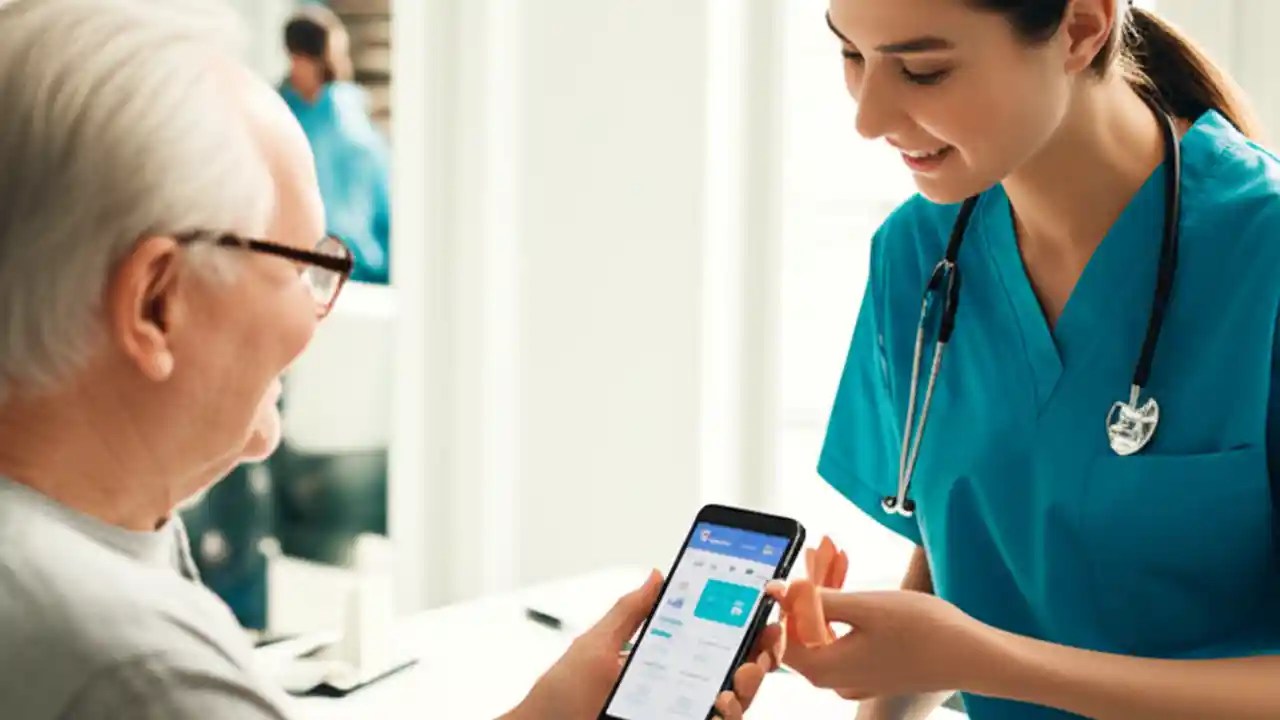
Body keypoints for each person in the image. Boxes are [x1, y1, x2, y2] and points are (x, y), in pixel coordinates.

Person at [0, 1, 779, 719]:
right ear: (155, 305)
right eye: (305, 267)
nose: (317, 314)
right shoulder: (138, 671)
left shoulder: (87, 546)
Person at [774, 0, 1280, 718]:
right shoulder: (919, 259)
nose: (868, 117)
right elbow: (956, 550)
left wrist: (978, 659)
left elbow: (957, 643)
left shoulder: (1264, 261)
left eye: (923, 70)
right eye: (852, 55)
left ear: (1080, 27)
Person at [280, 4, 391, 285]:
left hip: (353, 263)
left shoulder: (349, 119)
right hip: (295, 258)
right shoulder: (281, 110)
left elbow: (370, 204)